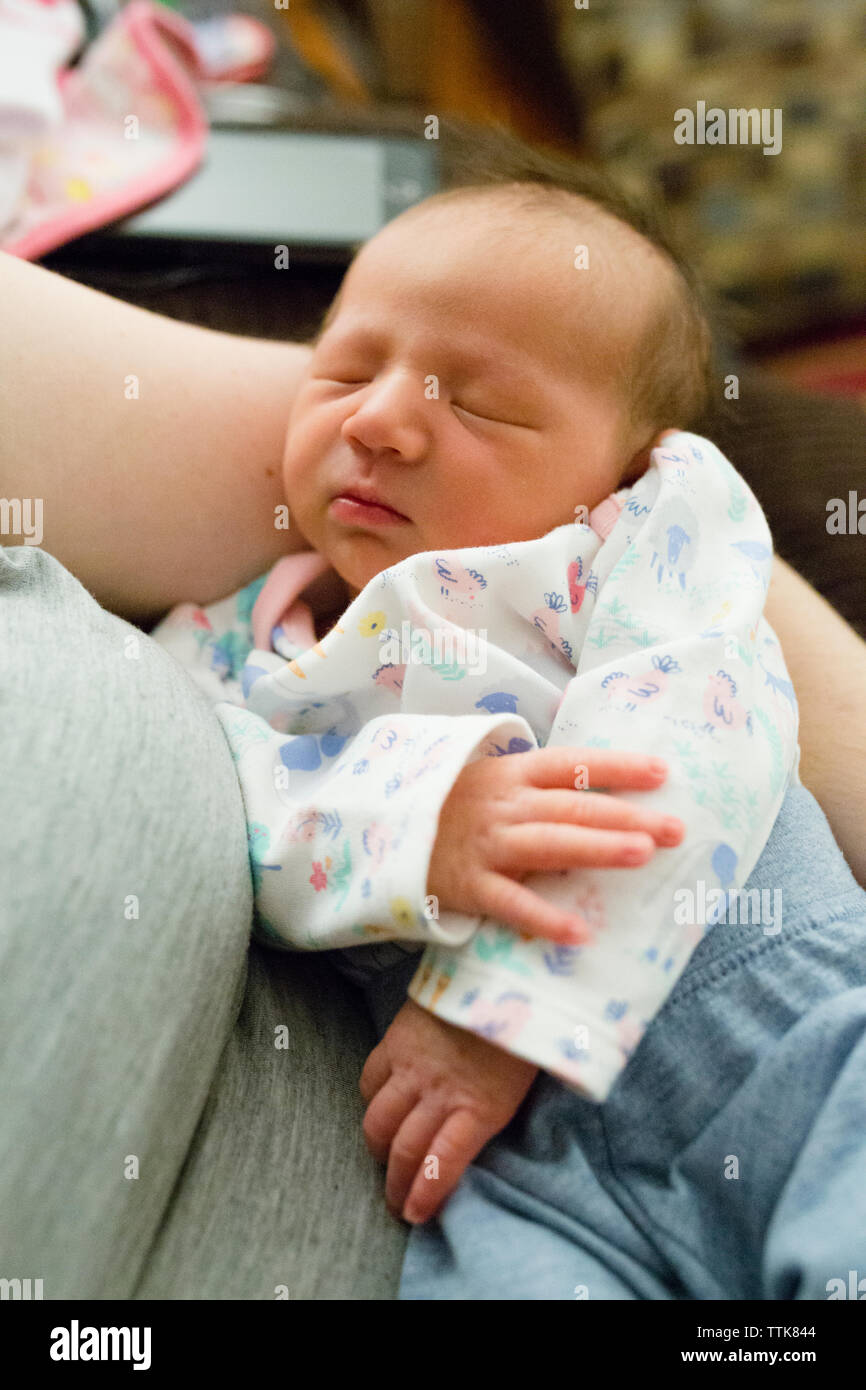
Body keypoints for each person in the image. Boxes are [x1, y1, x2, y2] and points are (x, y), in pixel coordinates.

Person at [0, 162, 865, 1296]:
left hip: (762, 1026)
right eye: (346, 369)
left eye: (477, 403)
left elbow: (690, 728)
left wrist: (507, 1000)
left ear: (620, 464)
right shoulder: (223, 641)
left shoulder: (645, 533)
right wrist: (417, 822)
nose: (377, 420)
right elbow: (248, 818)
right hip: (508, 1171)